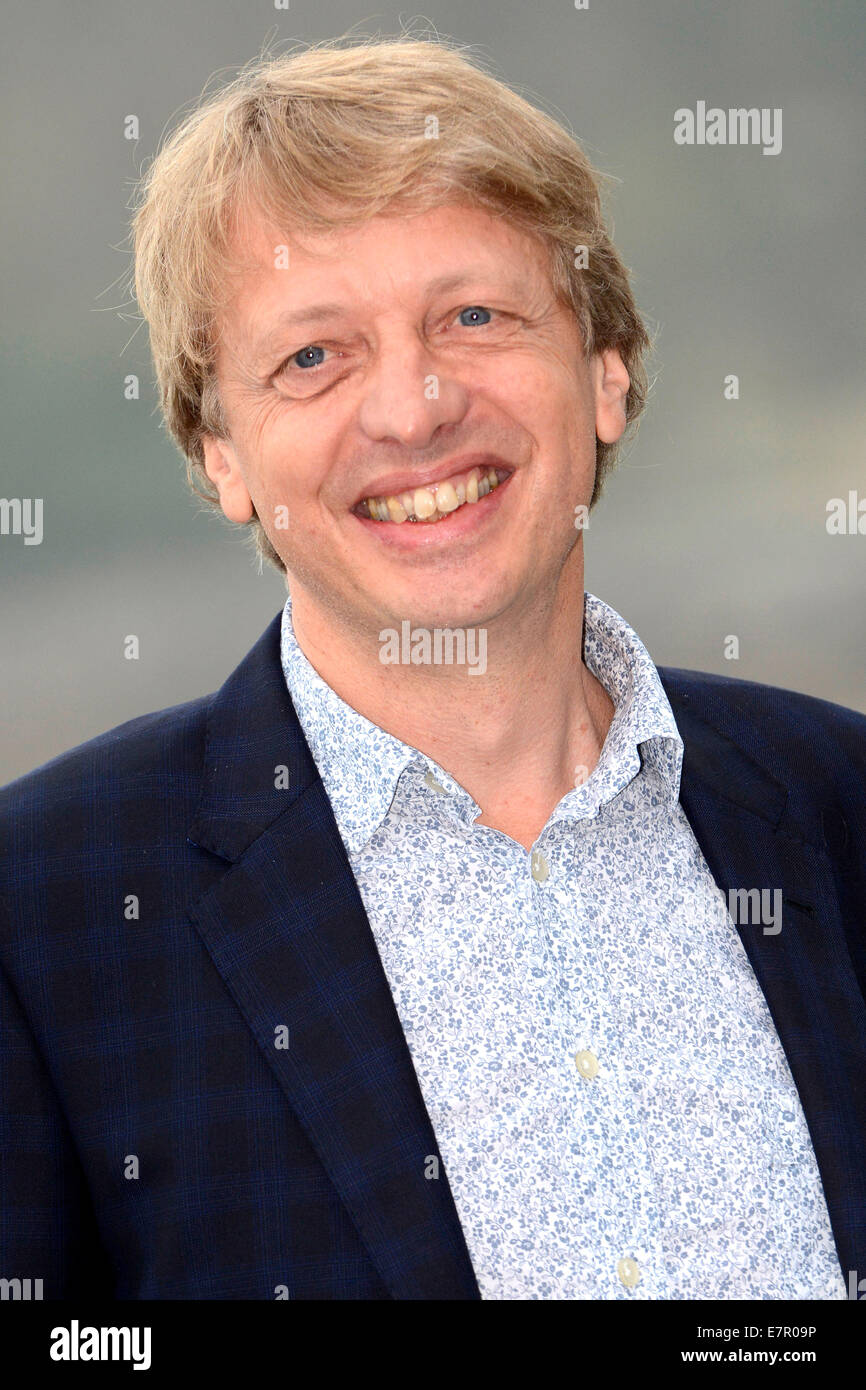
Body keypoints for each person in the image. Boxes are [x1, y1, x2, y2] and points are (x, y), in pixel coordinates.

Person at [2, 37, 864, 1302]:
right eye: (312, 356)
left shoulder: (841, 807)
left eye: (473, 317)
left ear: (605, 369)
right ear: (221, 455)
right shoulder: (40, 916)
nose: (412, 409)